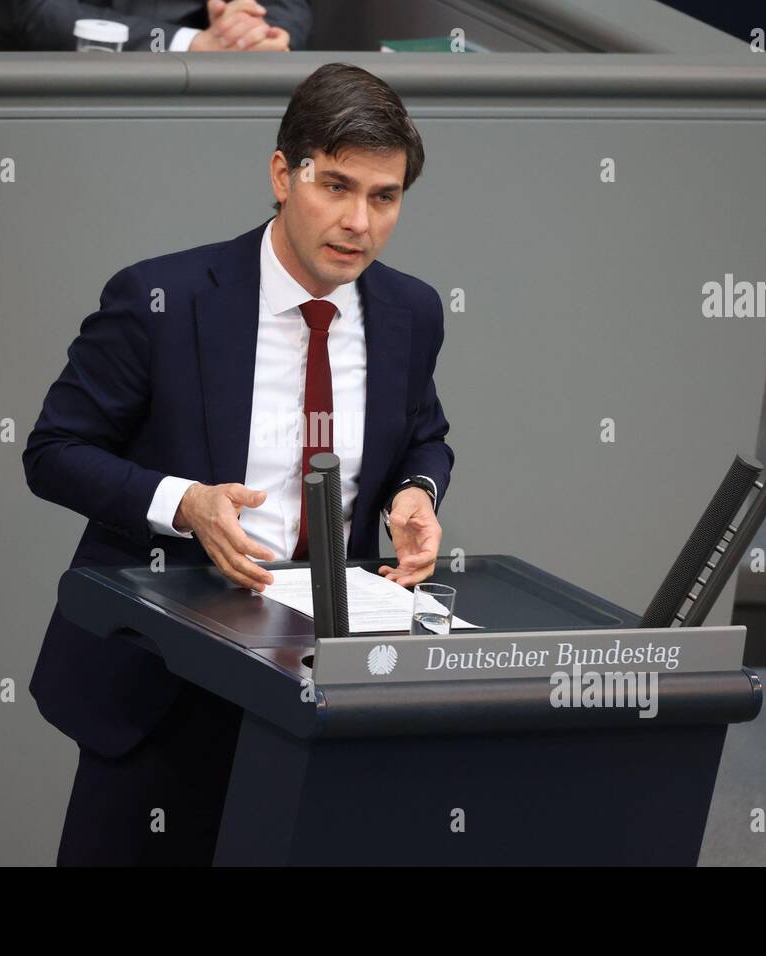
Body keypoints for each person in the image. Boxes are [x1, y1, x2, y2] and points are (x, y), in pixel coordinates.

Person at [23, 62, 454, 865]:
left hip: (327, 680)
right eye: (336, 186)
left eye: (384, 197)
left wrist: (416, 491)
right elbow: (53, 453)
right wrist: (185, 503)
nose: (358, 221)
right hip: (166, 682)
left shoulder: (410, 312)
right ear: (282, 174)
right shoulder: (163, 299)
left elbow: (425, 433)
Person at [0, 0, 310, 52]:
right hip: (36, 82)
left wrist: (255, 33)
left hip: (202, 92)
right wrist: (192, 44)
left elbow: (285, 7)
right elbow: (38, 11)